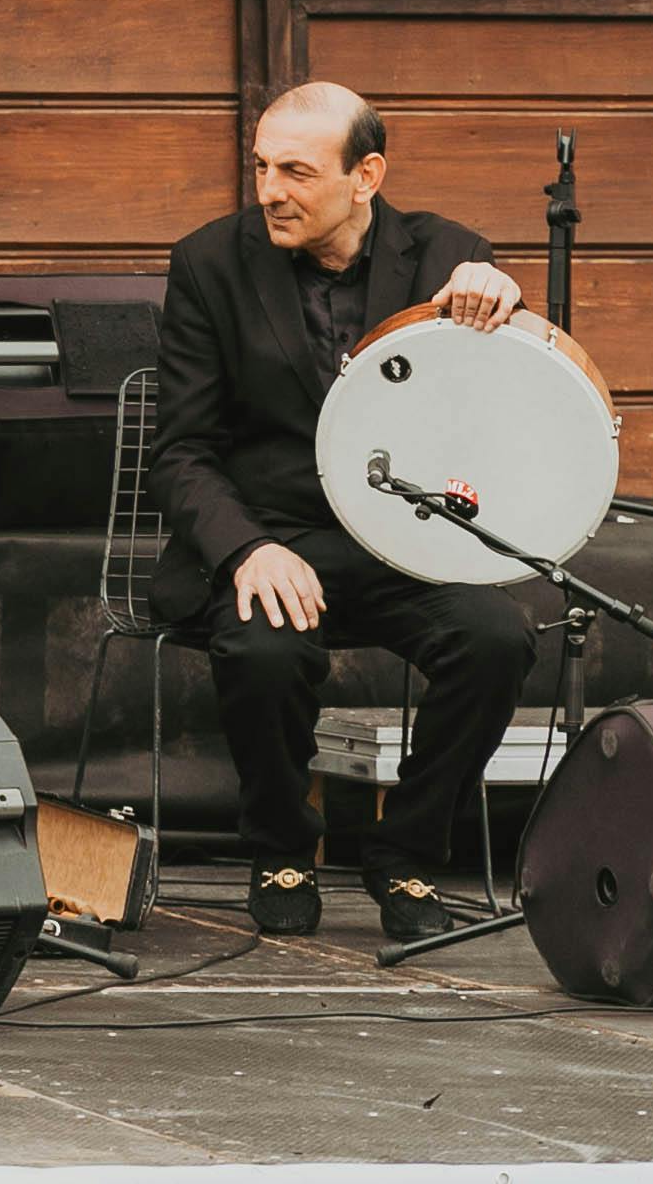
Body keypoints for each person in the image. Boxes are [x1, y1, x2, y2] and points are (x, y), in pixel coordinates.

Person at [147, 80, 537, 943]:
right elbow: (180, 449)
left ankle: (402, 851)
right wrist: (244, 548)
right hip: (271, 532)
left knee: (496, 638)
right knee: (262, 646)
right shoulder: (209, 262)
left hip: (402, 541)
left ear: (366, 175)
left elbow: (505, 409)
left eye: (294, 170)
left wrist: (504, 302)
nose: (268, 190)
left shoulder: (450, 255)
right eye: (259, 167)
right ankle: (281, 845)